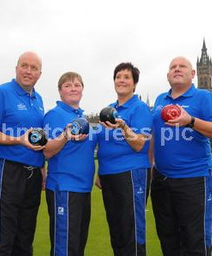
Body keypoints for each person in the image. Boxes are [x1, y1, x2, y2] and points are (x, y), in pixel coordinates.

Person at [151, 56, 212, 256]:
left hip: (193, 180)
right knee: (168, 241)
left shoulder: (204, 97)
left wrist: (190, 120)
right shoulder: (160, 100)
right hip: (162, 180)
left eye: (182, 66)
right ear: (168, 75)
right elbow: (153, 137)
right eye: (173, 67)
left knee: (195, 241)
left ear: (193, 74)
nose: (177, 69)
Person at [0, 51, 46, 256]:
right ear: (16, 68)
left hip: (33, 174)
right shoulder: (1, 93)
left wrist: (42, 168)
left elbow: (38, 139)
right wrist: (18, 140)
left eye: (33, 68)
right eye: (24, 66)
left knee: (25, 237)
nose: (28, 71)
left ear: (39, 73)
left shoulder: (39, 100)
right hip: (6, 170)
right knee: (1, 236)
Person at [96, 62, 152, 256]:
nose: (122, 80)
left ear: (134, 84)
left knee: (131, 232)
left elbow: (139, 144)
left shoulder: (140, 108)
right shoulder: (109, 110)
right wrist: (99, 171)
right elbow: (102, 143)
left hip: (131, 174)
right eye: (118, 76)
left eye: (127, 77)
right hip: (108, 175)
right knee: (117, 231)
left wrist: (123, 127)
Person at [43, 72, 97, 256]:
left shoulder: (82, 117)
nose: (73, 88)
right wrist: (65, 135)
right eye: (67, 85)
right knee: (64, 248)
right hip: (64, 189)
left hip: (83, 190)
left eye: (77, 85)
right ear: (60, 92)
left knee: (77, 247)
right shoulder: (54, 115)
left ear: (82, 89)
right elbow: (47, 150)